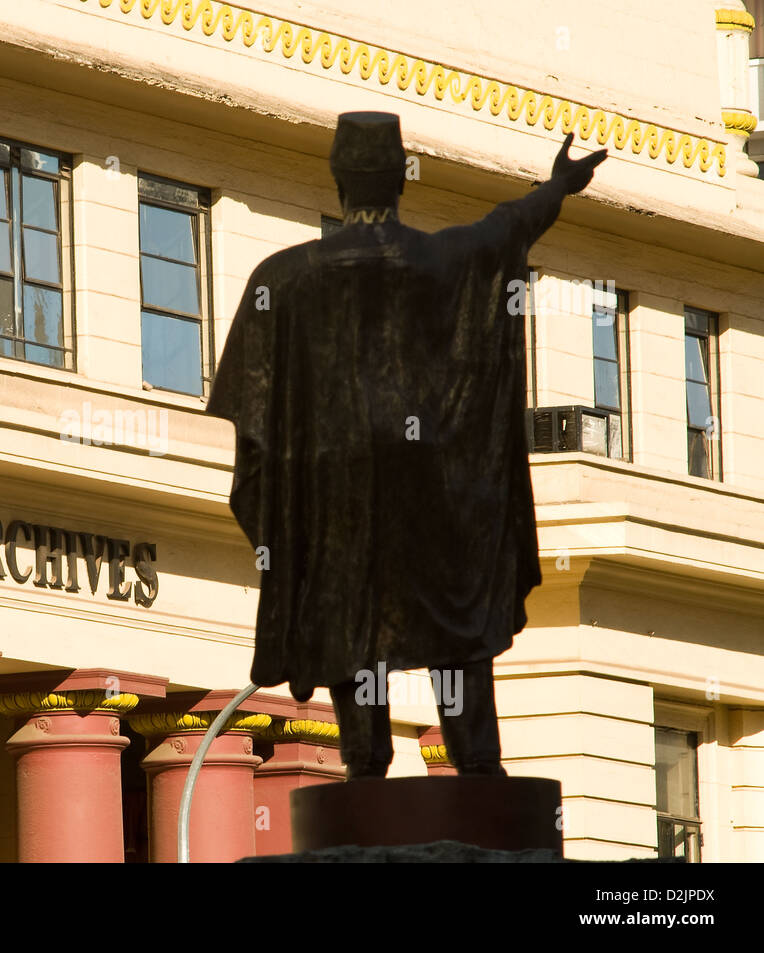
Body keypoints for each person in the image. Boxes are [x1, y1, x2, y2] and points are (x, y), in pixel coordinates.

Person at [206, 112, 607, 778]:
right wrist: (558, 185)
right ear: (400, 181)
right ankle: (479, 768)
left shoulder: (283, 277)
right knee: (456, 623)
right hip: (435, 488)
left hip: (337, 496)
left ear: (338, 181)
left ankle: (365, 767)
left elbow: (256, 427)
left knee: (350, 623)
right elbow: (506, 228)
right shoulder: (441, 259)